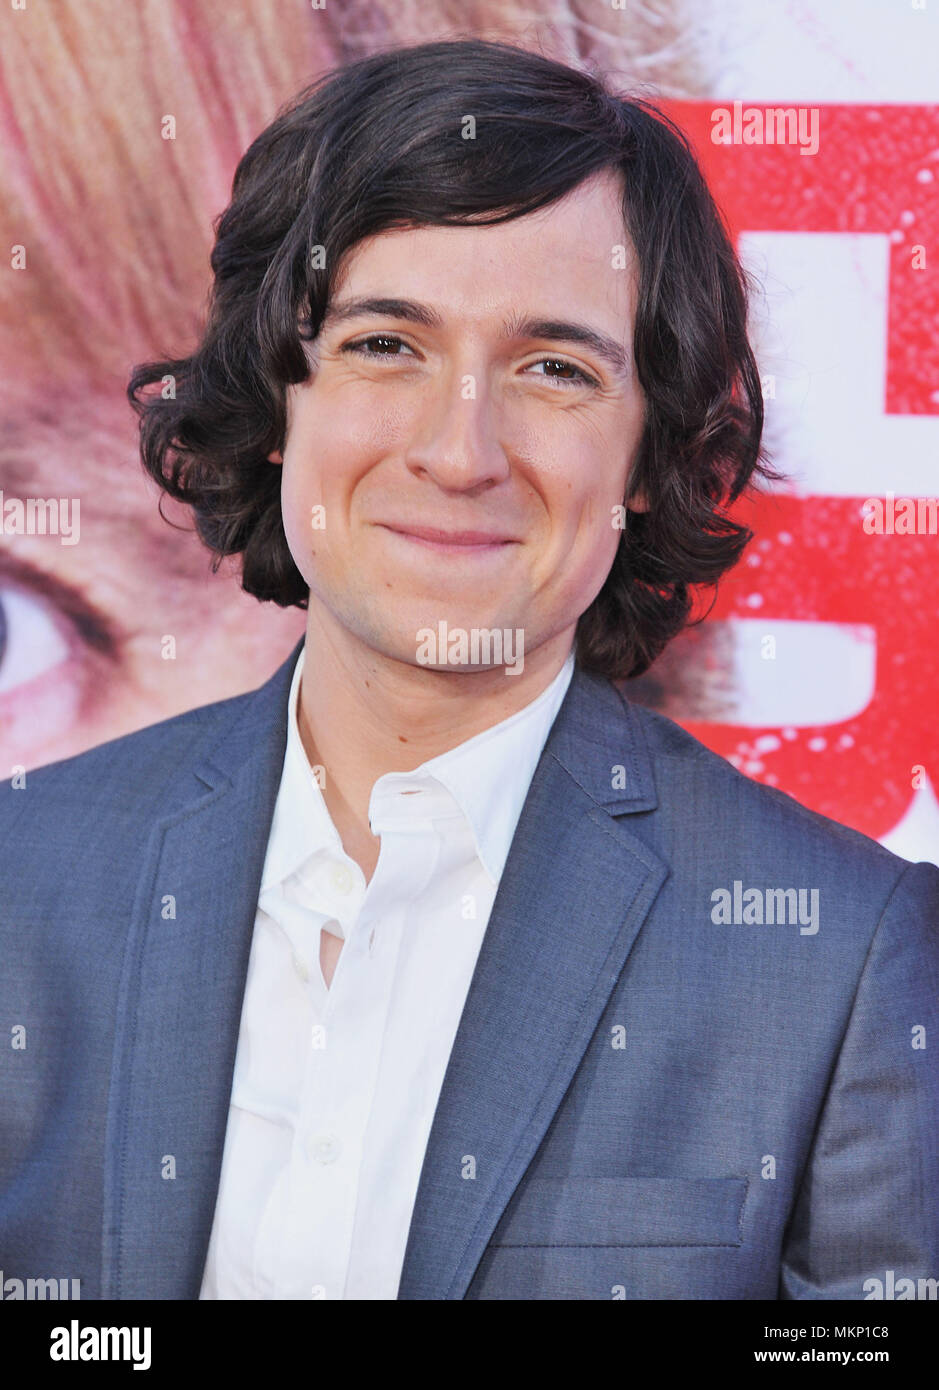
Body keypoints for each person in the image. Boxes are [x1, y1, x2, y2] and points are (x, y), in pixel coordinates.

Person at [1, 38, 935, 1302]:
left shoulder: (845, 956)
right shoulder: (27, 874)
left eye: (556, 368)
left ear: (653, 454)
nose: (461, 450)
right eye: (387, 345)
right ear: (281, 405)